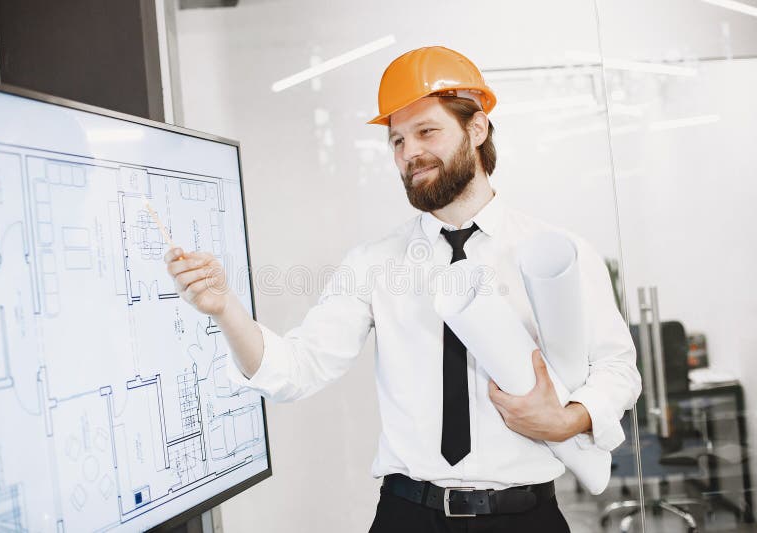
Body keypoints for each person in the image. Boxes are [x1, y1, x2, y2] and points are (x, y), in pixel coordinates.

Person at [164, 46, 641, 532]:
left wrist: (571, 420)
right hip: (408, 516)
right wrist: (225, 310)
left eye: (426, 131)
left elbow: (617, 368)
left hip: (525, 517)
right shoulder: (373, 264)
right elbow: (297, 370)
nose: (408, 152)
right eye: (396, 140)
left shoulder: (557, 252)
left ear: (476, 129)